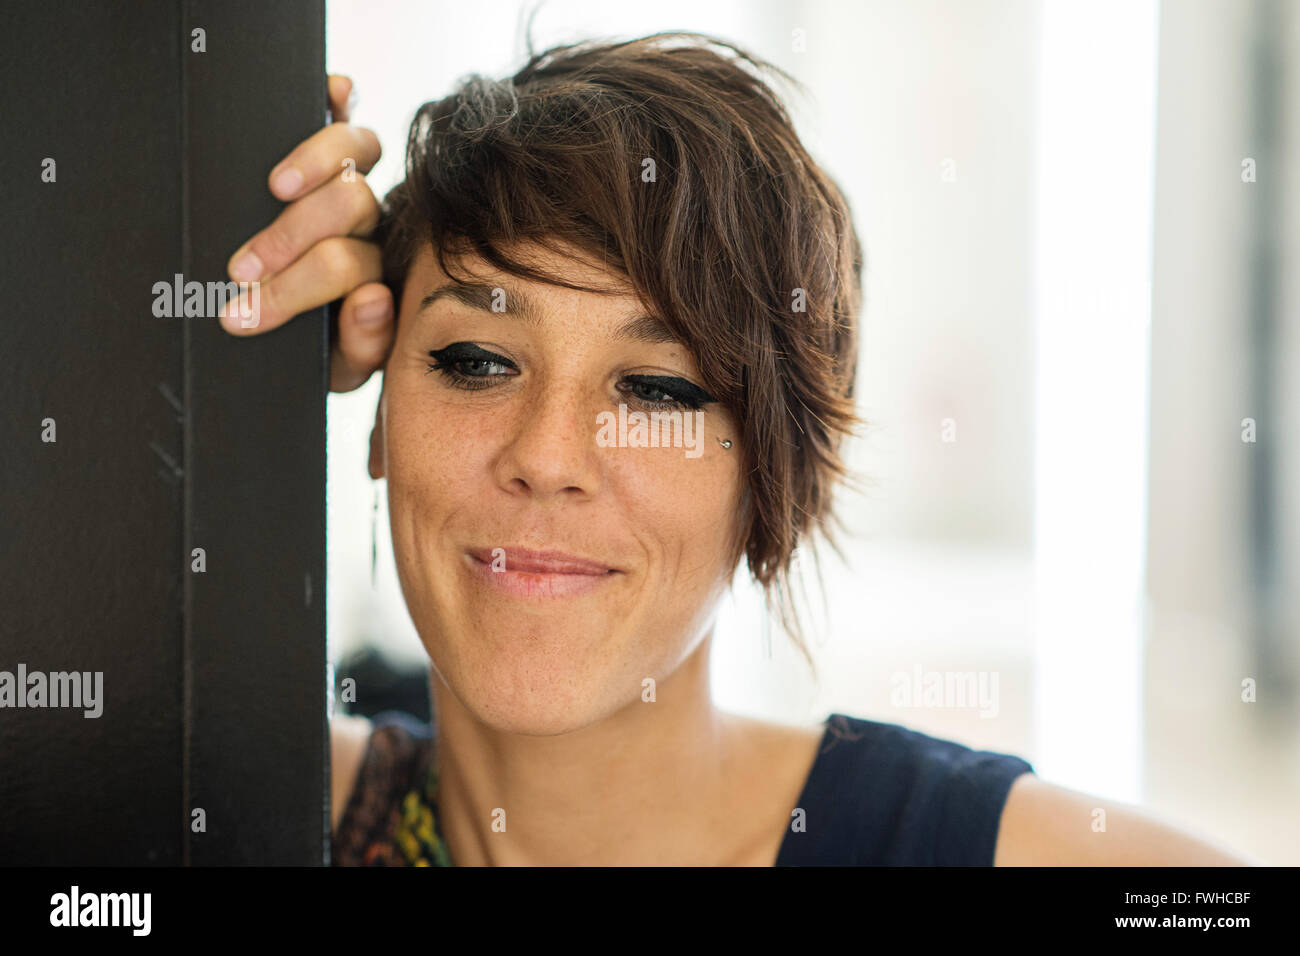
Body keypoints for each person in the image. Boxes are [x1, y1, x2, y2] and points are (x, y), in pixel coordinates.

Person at [221, 34, 1249, 866]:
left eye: (659, 387)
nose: (546, 454)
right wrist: (200, 266)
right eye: (478, 360)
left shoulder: (975, 850)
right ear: (376, 407)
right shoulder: (215, 812)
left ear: (771, 479)